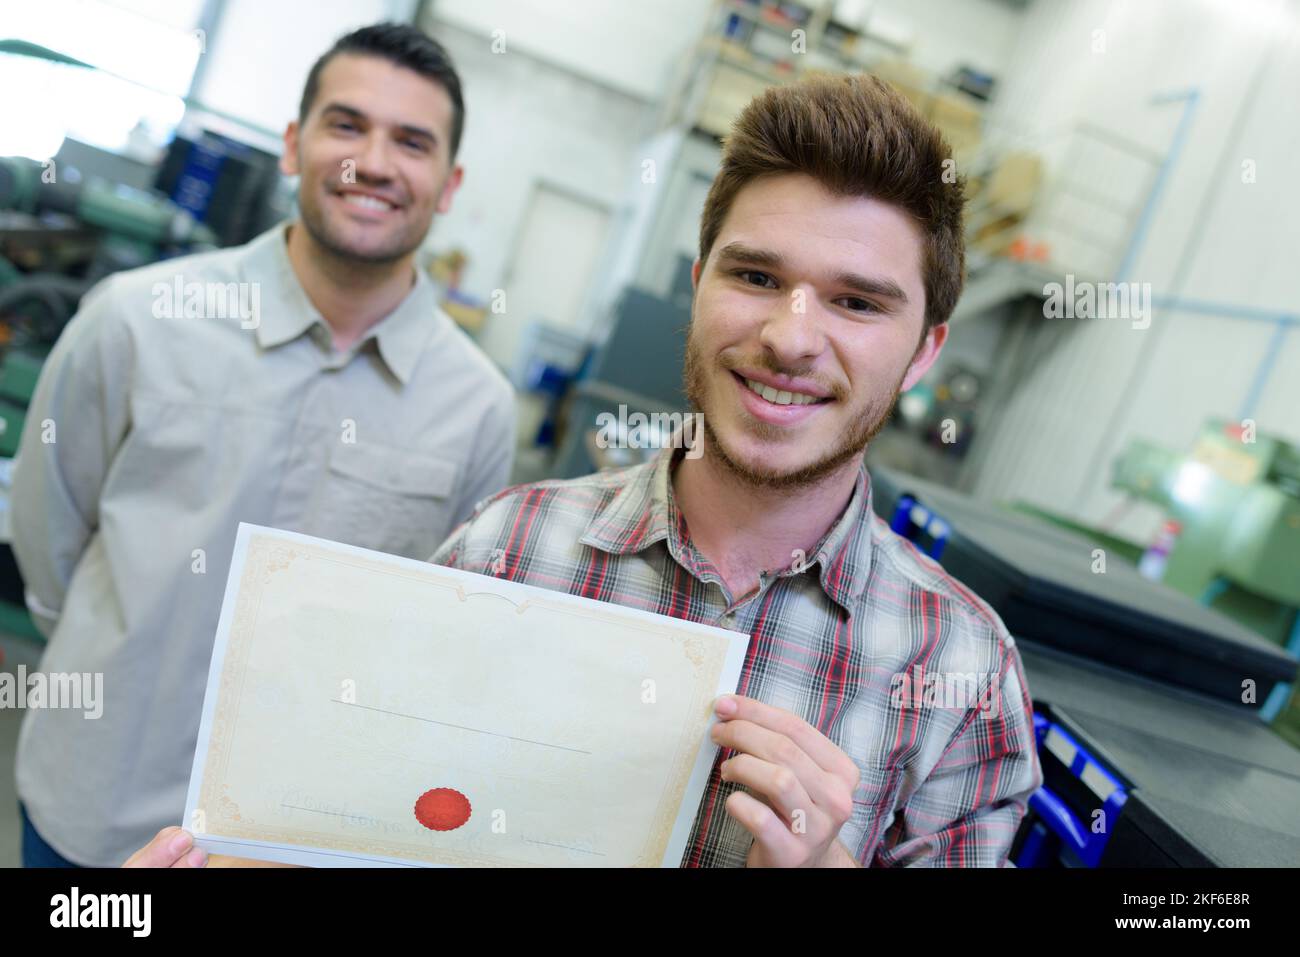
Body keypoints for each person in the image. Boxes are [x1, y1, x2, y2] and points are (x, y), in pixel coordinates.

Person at [131, 71, 1041, 868]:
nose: (791, 337)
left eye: (856, 301)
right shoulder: (507, 547)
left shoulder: (961, 671)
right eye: (756, 277)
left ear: (924, 352)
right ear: (698, 287)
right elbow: (356, 834)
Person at [12, 22, 515, 868]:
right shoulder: (137, 319)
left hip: (291, 844)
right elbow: (49, 538)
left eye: (413, 141)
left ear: (451, 182)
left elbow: (433, 641)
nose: (376, 162)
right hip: (90, 810)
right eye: (346, 125)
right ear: (293, 144)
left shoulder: (477, 411)